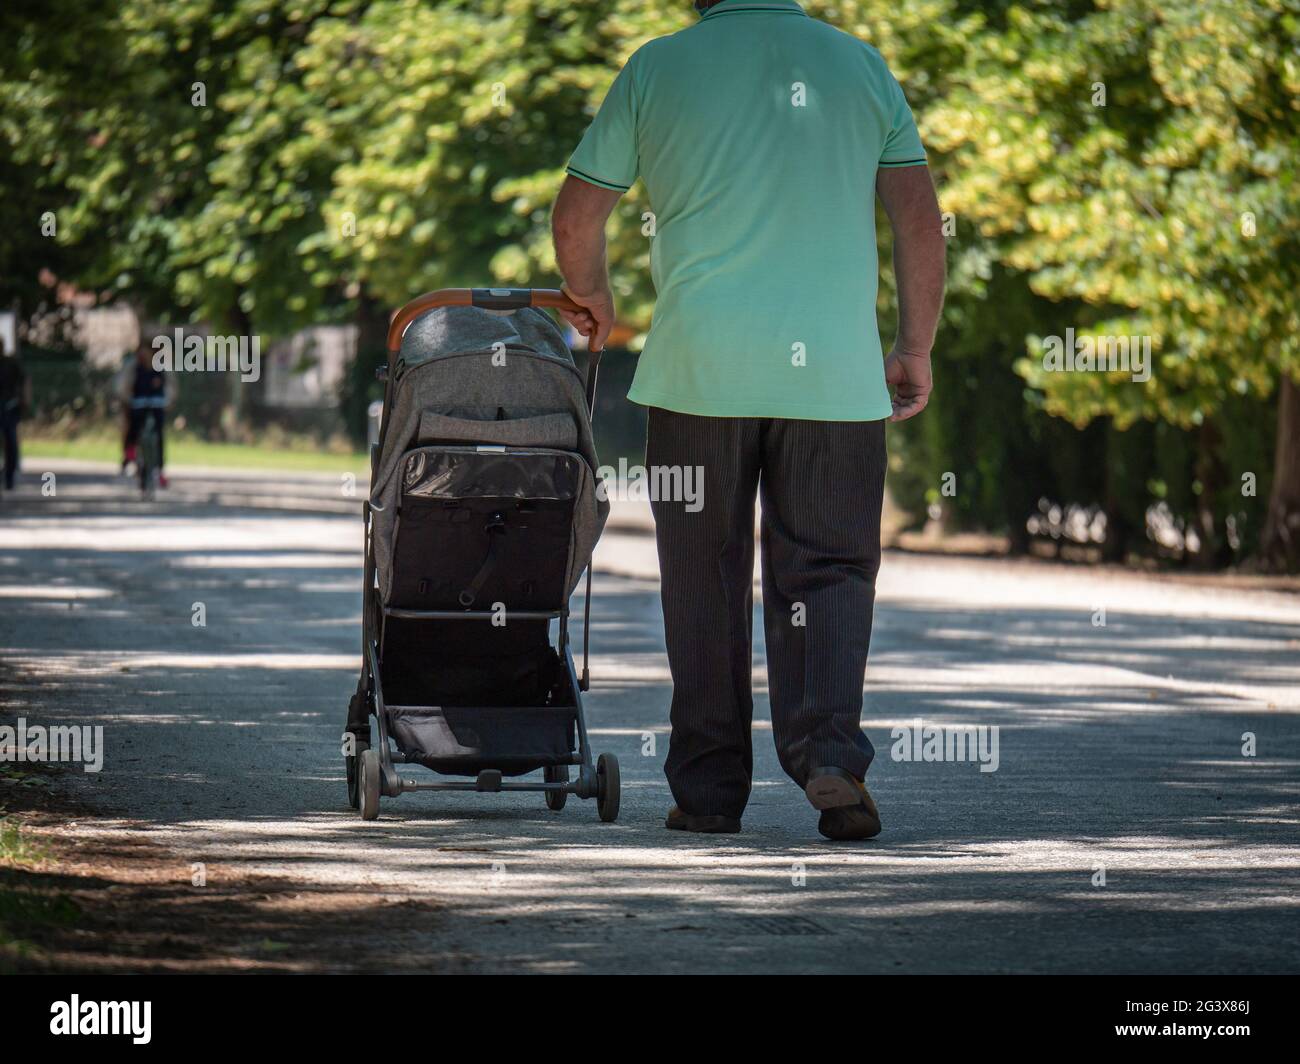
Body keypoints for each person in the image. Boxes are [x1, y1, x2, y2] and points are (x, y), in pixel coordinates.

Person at [551, 0, 946, 839]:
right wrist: (915, 345)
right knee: (831, 571)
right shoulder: (859, 65)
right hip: (835, 383)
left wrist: (594, 298)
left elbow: (577, 214)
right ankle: (832, 756)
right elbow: (919, 217)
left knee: (703, 580)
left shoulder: (659, 66)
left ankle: (707, 790)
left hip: (700, 375)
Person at [118, 341, 174, 488]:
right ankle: (129, 453)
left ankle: (160, 470)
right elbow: (124, 385)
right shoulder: (134, 367)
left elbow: (171, 386)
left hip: (157, 403)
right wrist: (127, 400)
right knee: (134, 425)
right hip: (138, 402)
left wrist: (168, 401)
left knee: (159, 434)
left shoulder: (162, 367)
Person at [0, 338, 29, 492]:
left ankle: (9, 475)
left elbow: (25, 380)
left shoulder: (11, 363)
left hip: (9, 406)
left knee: (10, 441)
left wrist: (25, 399)